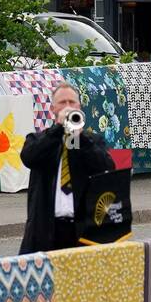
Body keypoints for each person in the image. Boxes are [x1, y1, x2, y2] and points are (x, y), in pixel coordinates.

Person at [19, 82, 116, 253]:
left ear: (79, 106)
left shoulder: (91, 140)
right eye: (62, 103)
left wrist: (81, 138)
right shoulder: (41, 138)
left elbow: (106, 167)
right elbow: (29, 157)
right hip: (46, 229)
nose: (68, 107)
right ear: (53, 108)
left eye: (72, 102)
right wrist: (58, 129)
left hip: (82, 229)